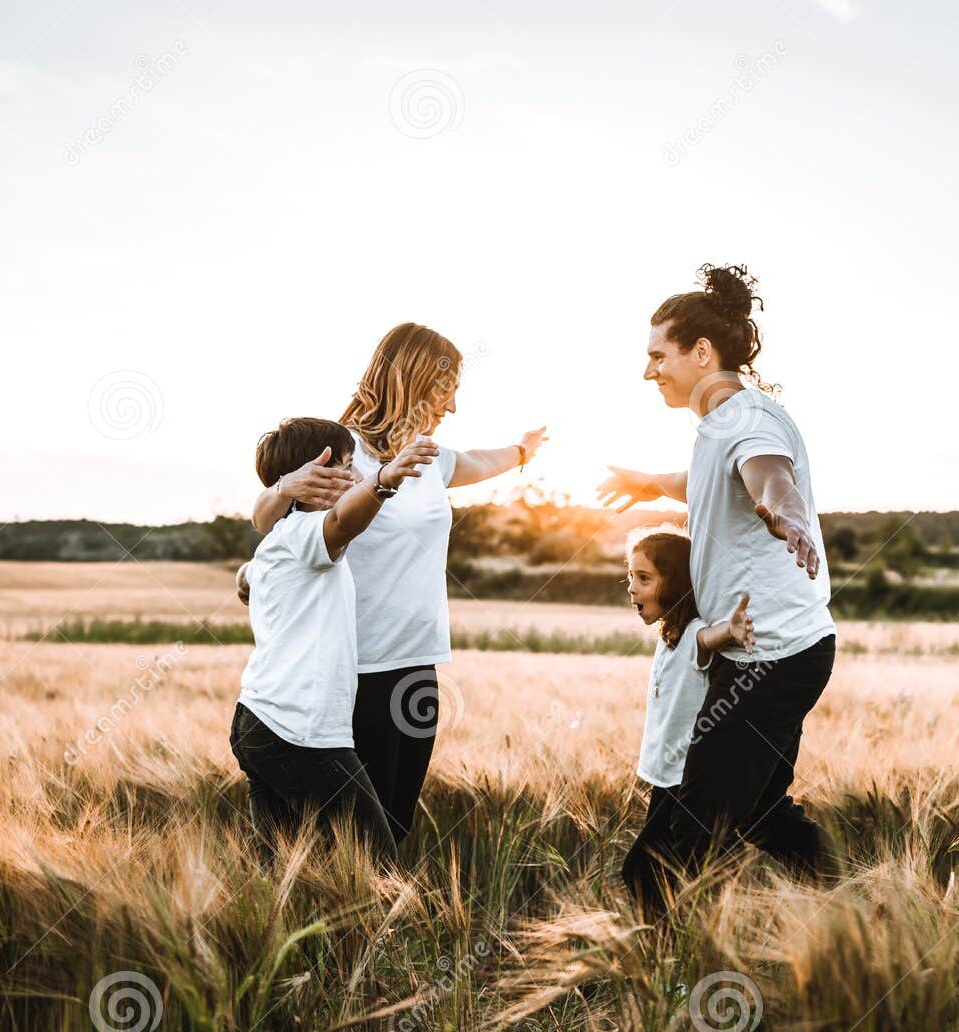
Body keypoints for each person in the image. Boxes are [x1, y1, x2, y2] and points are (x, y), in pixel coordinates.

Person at [242, 323, 547, 843]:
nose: (451, 408)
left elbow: (475, 461)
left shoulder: (430, 455)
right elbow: (274, 522)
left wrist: (521, 451)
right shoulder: (340, 450)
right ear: (411, 379)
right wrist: (276, 501)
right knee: (342, 843)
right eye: (445, 391)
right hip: (357, 669)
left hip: (417, 666)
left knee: (392, 829)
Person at [599, 263, 839, 903]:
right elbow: (718, 476)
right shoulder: (721, 423)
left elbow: (767, 472)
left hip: (771, 657)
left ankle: (664, 975)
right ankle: (842, 901)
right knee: (759, 808)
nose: (650, 371)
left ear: (701, 352)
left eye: (659, 356)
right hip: (776, 648)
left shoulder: (744, 420)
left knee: (675, 848)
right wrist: (652, 482)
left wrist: (784, 508)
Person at [231, 416, 438, 864]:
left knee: (282, 872)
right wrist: (384, 481)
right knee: (376, 865)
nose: (358, 474)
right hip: (299, 732)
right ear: (324, 471)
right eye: (350, 465)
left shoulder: (280, 540)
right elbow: (344, 522)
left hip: (258, 722)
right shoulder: (307, 532)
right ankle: (377, 938)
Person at [618, 527, 755, 914]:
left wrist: (731, 628)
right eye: (630, 577)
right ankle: (669, 948)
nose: (632, 587)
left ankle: (663, 954)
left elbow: (709, 639)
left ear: (675, 582)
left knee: (642, 869)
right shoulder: (669, 636)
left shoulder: (692, 632)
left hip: (684, 779)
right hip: (667, 777)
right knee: (655, 871)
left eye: (644, 578)